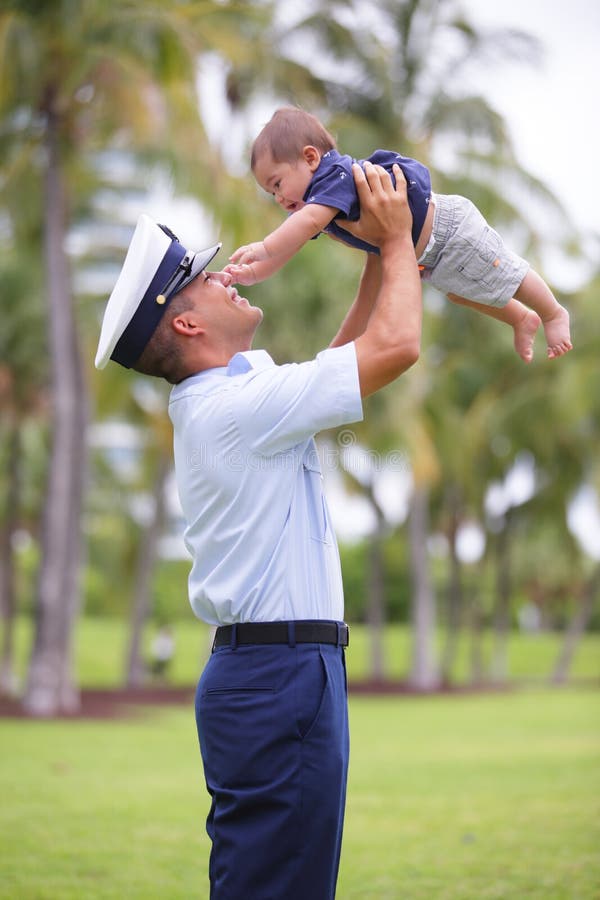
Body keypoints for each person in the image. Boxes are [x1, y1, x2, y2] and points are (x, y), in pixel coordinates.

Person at [95, 161, 421, 899]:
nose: (224, 277)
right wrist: (399, 239)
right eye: (203, 279)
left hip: (278, 672)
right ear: (186, 323)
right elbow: (395, 347)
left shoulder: (237, 398)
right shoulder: (237, 411)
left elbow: (335, 367)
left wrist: (373, 259)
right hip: (280, 675)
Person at [226, 106, 572, 363]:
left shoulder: (333, 178)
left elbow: (302, 228)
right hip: (432, 256)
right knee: (462, 292)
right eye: (271, 193)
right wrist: (258, 271)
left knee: (504, 271)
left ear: (311, 158)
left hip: (450, 231)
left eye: (277, 184)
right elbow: (295, 242)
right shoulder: (320, 200)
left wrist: (263, 246)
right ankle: (520, 316)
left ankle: (553, 312)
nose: (279, 199)